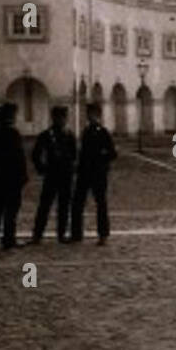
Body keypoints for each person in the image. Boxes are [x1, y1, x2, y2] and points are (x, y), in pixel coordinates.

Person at [71, 102, 117, 244]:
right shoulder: (86, 131)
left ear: (98, 115)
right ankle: (76, 234)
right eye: (89, 114)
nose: (90, 117)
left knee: (101, 204)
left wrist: (100, 158)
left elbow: (112, 153)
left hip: (98, 173)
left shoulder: (103, 132)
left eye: (93, 114)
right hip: (84, 173)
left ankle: (103, 234)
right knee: (77, 203)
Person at [31, 105, 78, 243]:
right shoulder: (47, 135)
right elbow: (36, 154)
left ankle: (61, 234)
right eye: (60, 117)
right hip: (51, 174)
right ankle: (37, 234)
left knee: (64, 206)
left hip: (66, 175)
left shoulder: (69, 135)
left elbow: (75, 154)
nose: (62, 120)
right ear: (54, 118)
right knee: (45, 206)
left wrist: (72, 166)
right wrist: (42, 168)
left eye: (64, 117)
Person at [0, 102, 27, 249]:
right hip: (10, 178)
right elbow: (19, 157)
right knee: (10, 211)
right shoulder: (13, 133)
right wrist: (23, 176)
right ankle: (9, 239)